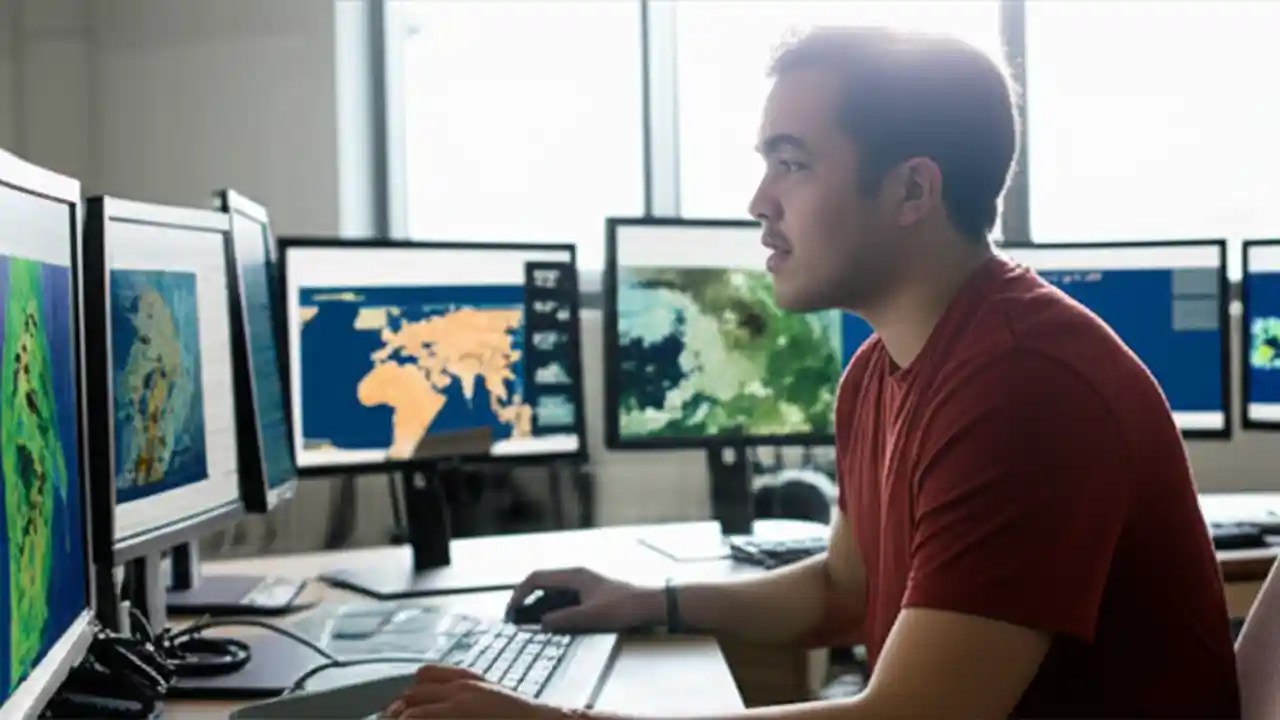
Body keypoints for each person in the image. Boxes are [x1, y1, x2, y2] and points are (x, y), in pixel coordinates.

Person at [385, 26, 1241, 719]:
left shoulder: (1025, 387)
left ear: (912, 190)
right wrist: (649, 598)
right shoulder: (878, 371)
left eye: (791, 163)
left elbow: (910, 719)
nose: (760, 200)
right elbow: (843, 589)